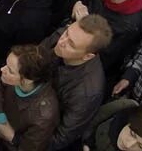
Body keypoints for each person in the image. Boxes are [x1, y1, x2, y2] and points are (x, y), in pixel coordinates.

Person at [38, 15, 113, 150]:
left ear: (87, 56)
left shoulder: (86, 92)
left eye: (71, 44)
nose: (62, 41)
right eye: (67, 32)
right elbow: (33, 60)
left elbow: (60, 137)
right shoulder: (63, 37)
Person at [0, 44, 60, 151]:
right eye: (6, 65)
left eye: (10, 71)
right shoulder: (11, 79)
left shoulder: (44, 116)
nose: (2, 69)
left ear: (28, 80)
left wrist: (11, 137)